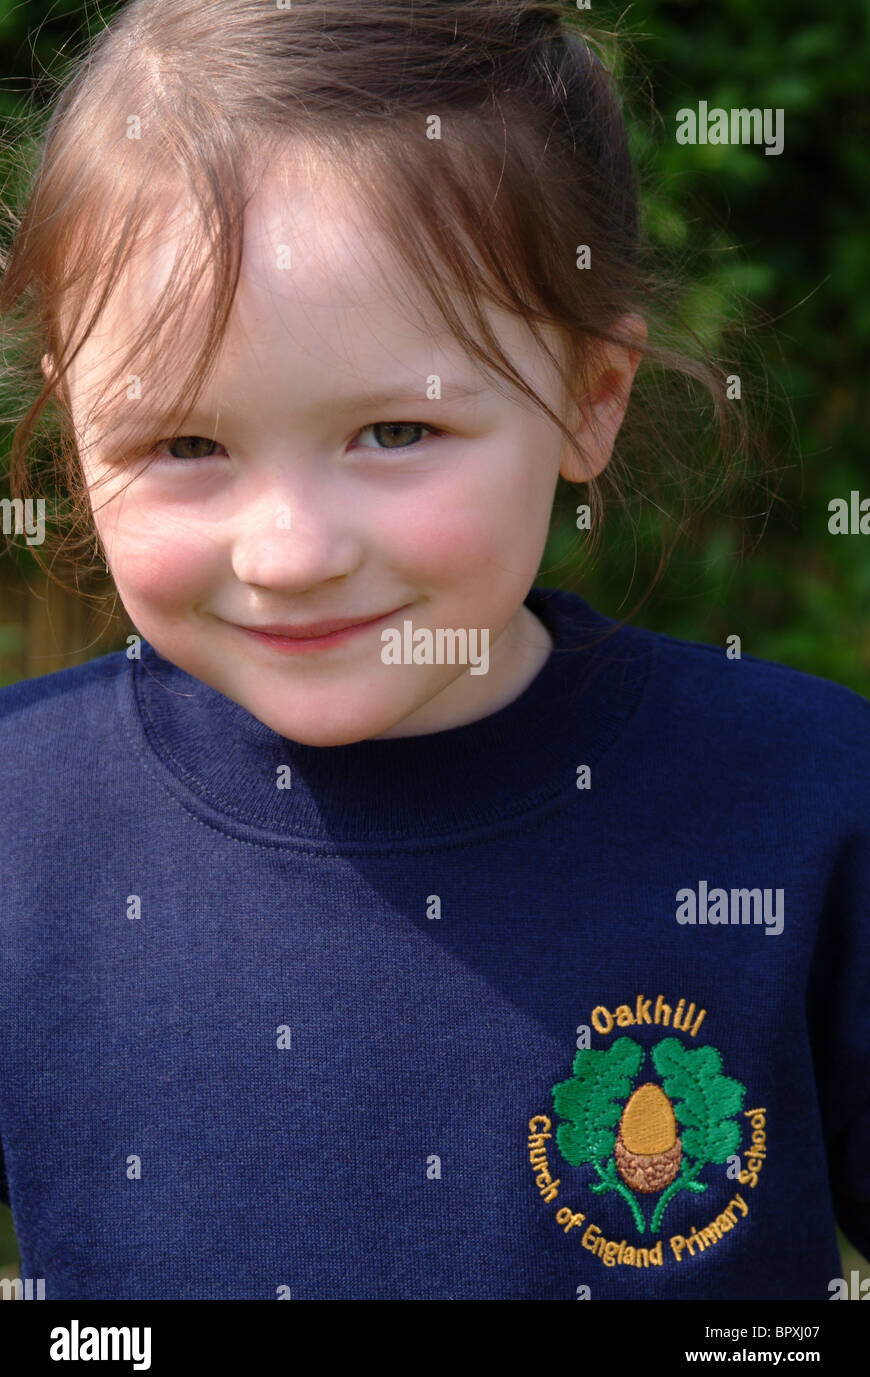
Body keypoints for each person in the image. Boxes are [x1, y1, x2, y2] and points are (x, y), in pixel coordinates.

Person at [0, 0, 866, 1300]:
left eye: (395, 432)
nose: (288, 551)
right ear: (72, 426)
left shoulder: (808, 803)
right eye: (185, 446)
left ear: (588, 400)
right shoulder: (20, 823)